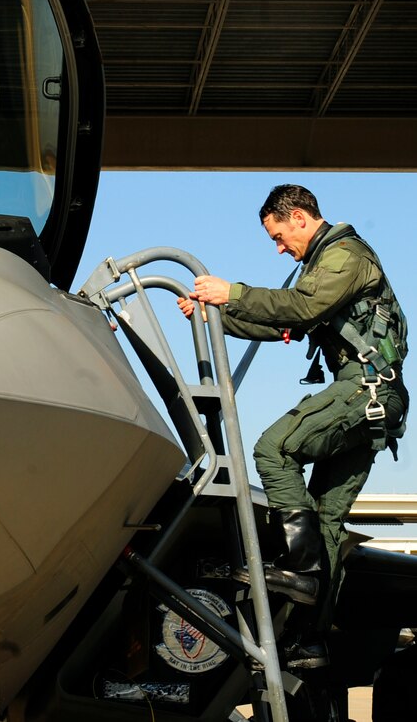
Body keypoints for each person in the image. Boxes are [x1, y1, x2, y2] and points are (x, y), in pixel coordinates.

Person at [177, 184, 409, 663]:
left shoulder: (345, 255)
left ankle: (300, 571)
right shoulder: (321, 266)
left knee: (273, 449)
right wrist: (215, 315)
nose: (280, 248)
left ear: (299, 217)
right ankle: (311, 639)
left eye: (279, 237)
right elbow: (286, 325)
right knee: (325, 523)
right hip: (373, 399)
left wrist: (232, 292)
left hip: (366, 389)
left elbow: (301, 307)